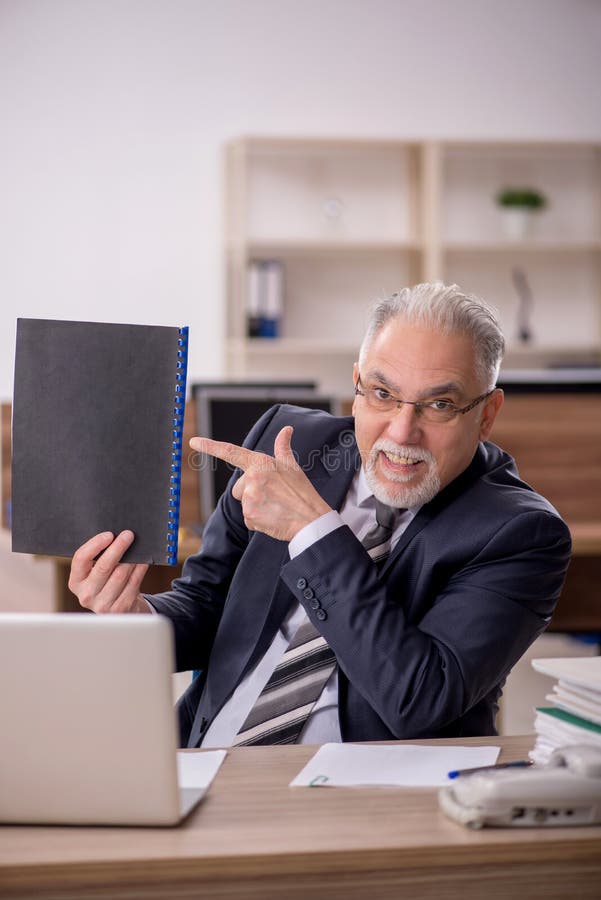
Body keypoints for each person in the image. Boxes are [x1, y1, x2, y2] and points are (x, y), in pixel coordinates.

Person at [69, 282, 571, 747]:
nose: (401, 432)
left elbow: (419, 701)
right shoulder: (288, 446)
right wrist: (137, 619)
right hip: (203, 757)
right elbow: (207, 607)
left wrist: (315, 532)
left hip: (362, 797)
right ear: (355, 384)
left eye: (439, 404)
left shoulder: (521, 533)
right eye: (382, 394)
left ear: (486, 414)